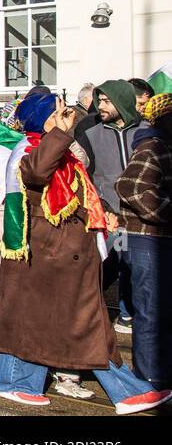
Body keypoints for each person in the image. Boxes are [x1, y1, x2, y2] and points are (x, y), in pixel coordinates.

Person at [0, 93, 170, 413]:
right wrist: (59, 134)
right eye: (56, 112)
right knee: (77, 323)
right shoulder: (30, 149)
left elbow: (79, 193)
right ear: (40, 118)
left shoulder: (58, 148)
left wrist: (100, 219)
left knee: (39, 320)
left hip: (60, 255)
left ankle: (16, 381)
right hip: (48, 254)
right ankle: (126, 391)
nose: (67, 116)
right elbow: (35, 174)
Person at [114, 93, 172, 390]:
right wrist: (167, 212)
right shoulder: (154, 146)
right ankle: (148, 378)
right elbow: (129, 186)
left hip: (158, 238)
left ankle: (161, 370)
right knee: (150, 308)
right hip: (146, 239)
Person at [77, 80, 141, 334]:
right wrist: (101, 206)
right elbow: (81, 174)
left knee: (135, 266)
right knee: (107, 265)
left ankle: (127, 315)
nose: (99, 105)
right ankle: (84, 311)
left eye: (105, 101)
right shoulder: (91, 135)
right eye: (98, 100)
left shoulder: (146, 131)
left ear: (121, 102)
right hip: (109, 215)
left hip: (141, 215)